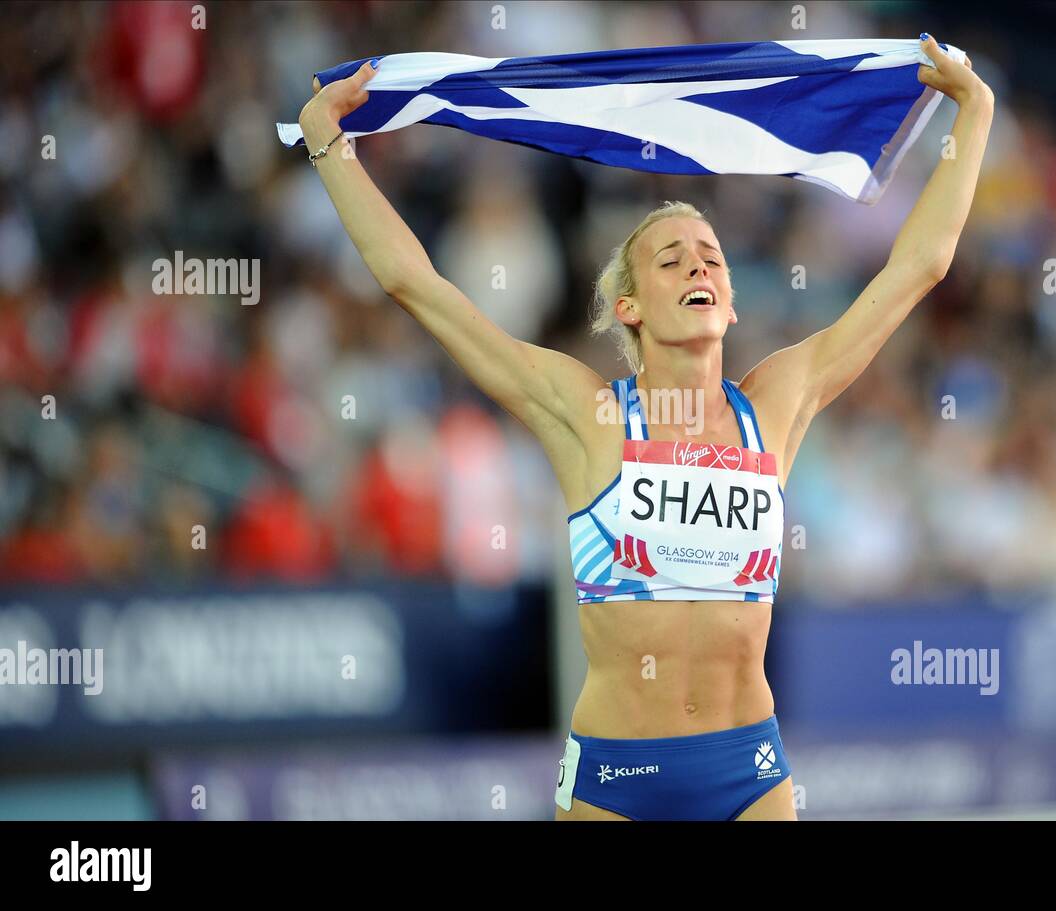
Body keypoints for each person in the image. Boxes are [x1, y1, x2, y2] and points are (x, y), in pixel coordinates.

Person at [297, 35, 993, 821]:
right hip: (617, 782)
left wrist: (975, 111)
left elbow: (920, 267)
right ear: (628, 305)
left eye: (711, 258)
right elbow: (412, 283)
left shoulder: (777, 403)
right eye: (672, 260)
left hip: (750, 771)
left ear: (731, 301)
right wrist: (329, 144)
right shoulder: (588, 412)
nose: (699, 268)